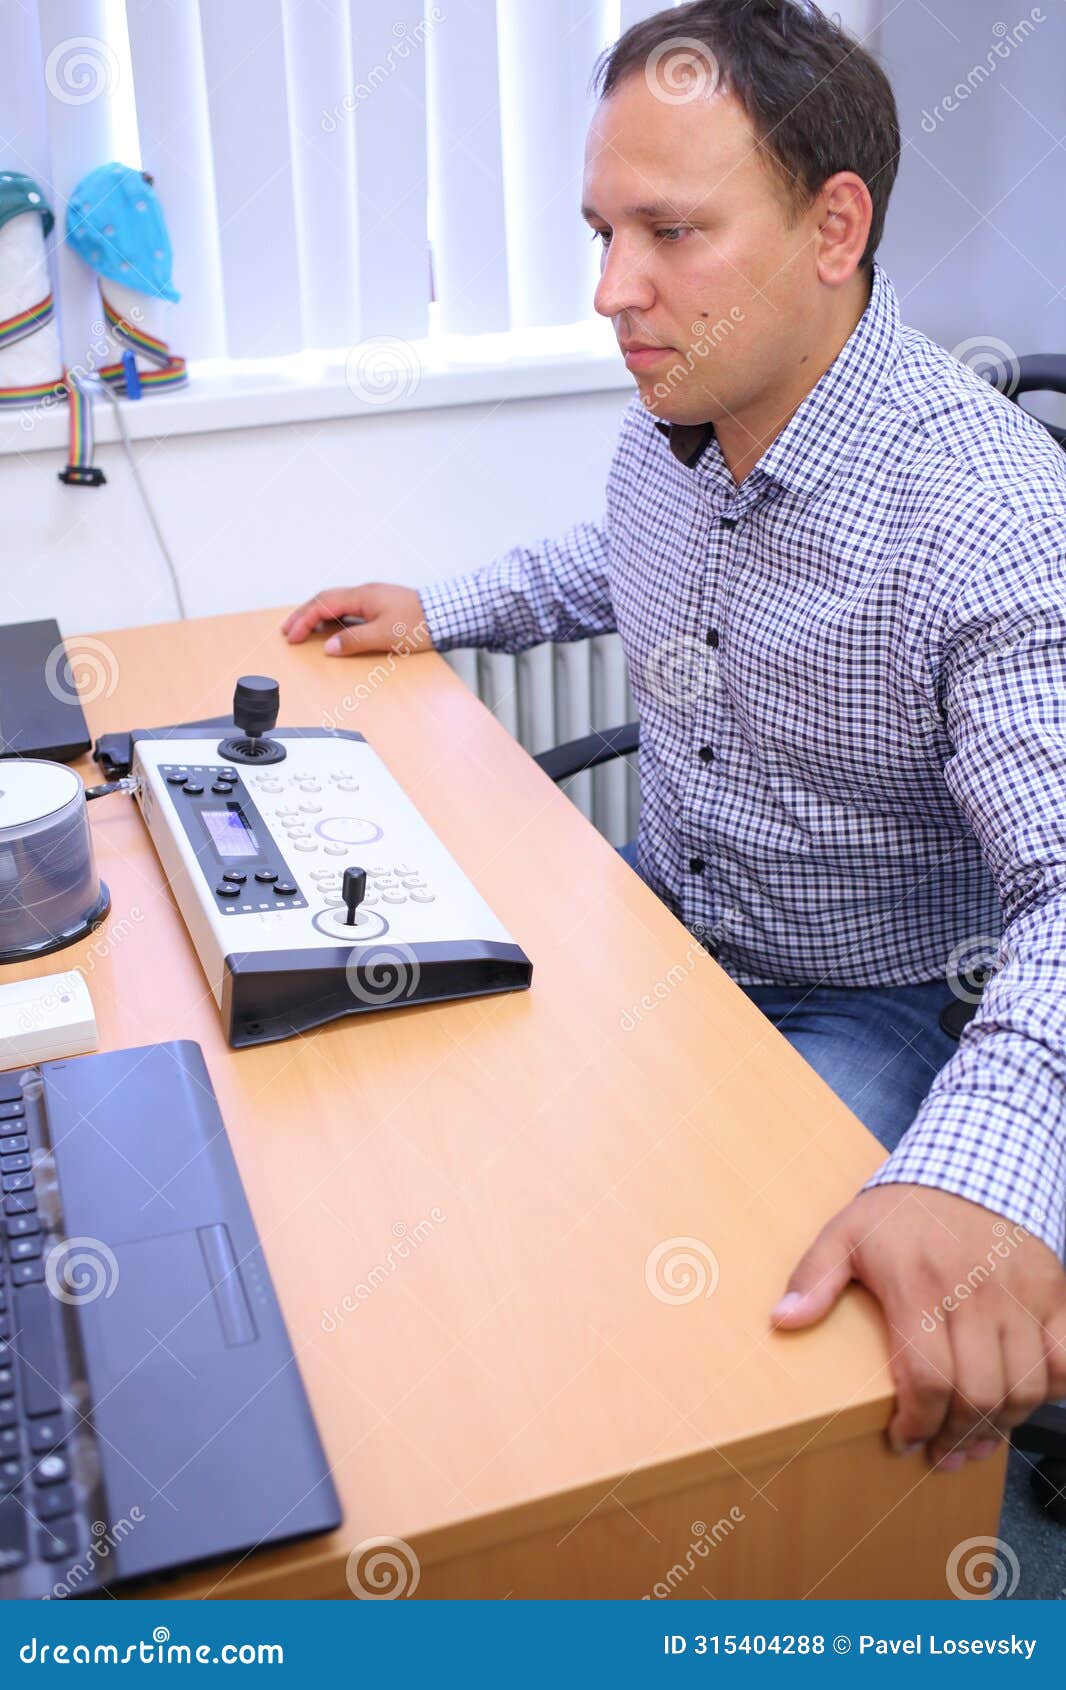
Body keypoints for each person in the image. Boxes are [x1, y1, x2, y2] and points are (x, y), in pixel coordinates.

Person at [283, 0, 1066, 1476]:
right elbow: (621, 557)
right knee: (416, 1145)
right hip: (672, 920)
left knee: (711, 1362)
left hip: (872, 994)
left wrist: (977, 1178)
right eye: (599, 233)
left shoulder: (992, 517)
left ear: (834, 228)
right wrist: (439, 602)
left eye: (668, 232)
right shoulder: (681, 409)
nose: (610, 292)